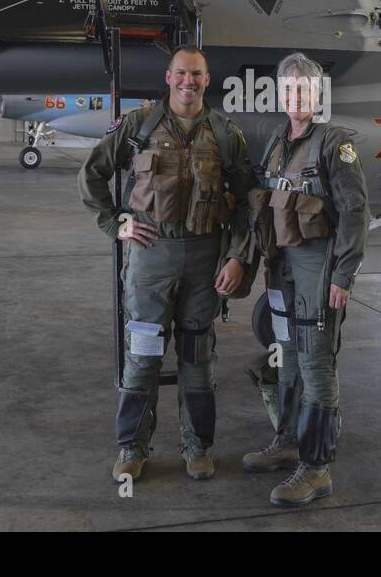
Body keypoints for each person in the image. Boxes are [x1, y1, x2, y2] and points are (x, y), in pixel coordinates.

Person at [79, 46, 253, 483]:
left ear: (207, 80)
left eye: (196, 75)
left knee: (198, 356)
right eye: (181, 74)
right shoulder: (140, 126)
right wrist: (116, 221)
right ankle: (132, 448)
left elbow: (248, 205)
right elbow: (92, 172)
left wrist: (237, 257)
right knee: (143, 355)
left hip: (204, 257)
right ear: (168, 77)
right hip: (151, 256)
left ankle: (197, 447)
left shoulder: (227, 135)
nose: (188, 82)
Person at [242, 52, 368, 506]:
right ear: (279, 94)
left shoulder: (335, 145)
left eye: (303, 89)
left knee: (316, 363)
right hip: (282, 269)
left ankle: (316, 469)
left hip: (318, 269)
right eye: (288, 89)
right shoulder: (278, 140)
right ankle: (289, 441)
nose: (295, 97)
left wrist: (344, 274)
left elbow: (355, 212)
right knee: (288, 356)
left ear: (317, 95)